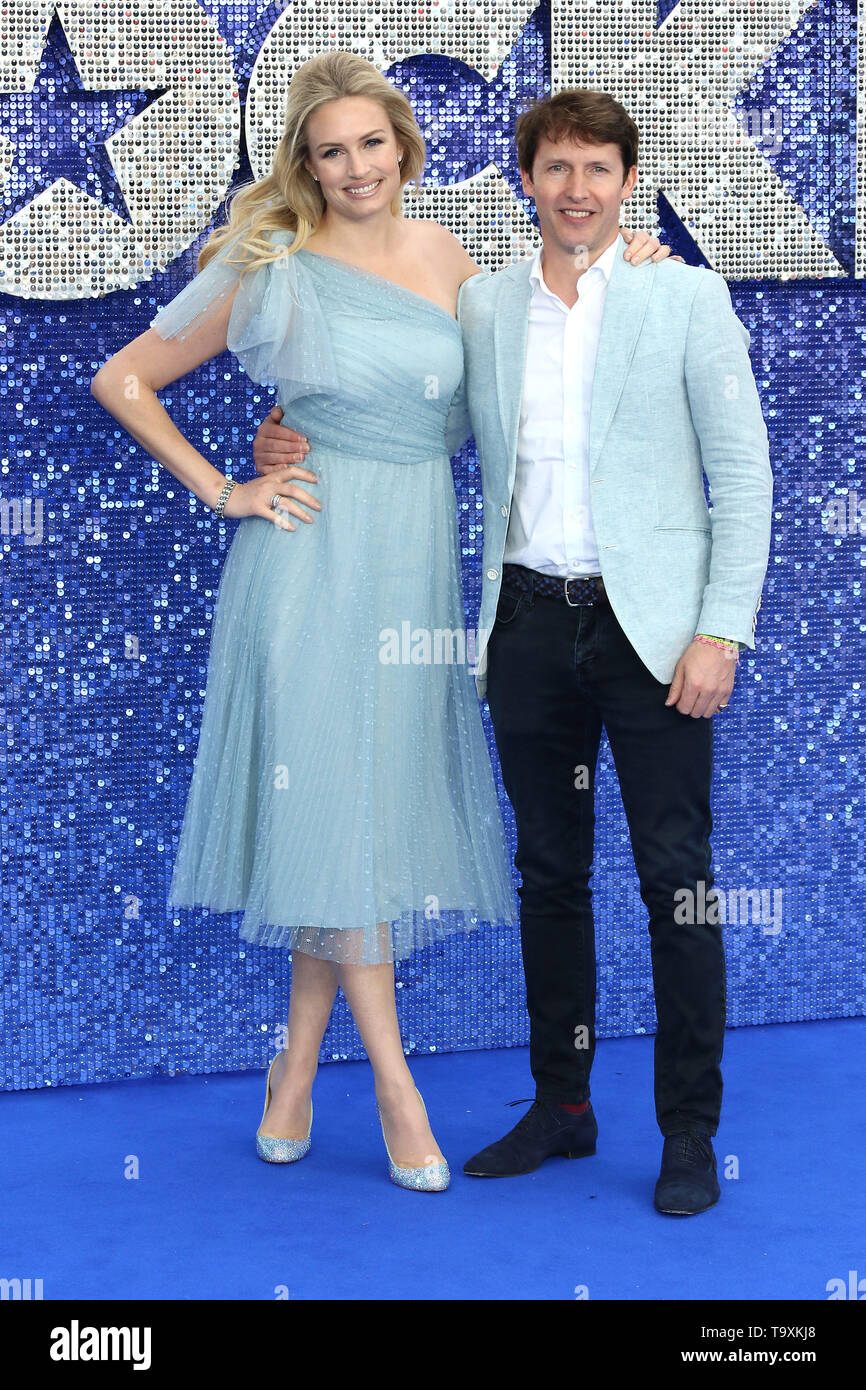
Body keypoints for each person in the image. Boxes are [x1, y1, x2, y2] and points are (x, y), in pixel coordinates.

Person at [92, 49, 670, 1194]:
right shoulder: (270, 261)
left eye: (370, 144)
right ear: (304, 165)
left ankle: (293, 1070)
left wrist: (629, 265)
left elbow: (530, 367)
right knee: (342, 814)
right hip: (305, 565)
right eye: (328, 151)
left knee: (350, 821)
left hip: (409, 573)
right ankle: (395, 1085)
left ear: (403, 148)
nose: (354, 167)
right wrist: (231, 483)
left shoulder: (453, 259)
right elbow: (123, 379)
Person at [253, 86, 773, 1215]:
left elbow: (741, 475)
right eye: (554, 170)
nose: (576, 190)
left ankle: (687, 1130)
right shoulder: (483, 307)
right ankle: (562, 1107)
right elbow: (408, 415)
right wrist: (285, 427)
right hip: (527, 630)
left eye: (597, 170)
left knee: (674, 883)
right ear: (523, 183)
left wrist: (717, 629)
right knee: (550, 879)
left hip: (652, 638)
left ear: (627, 183)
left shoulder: (682, 296)